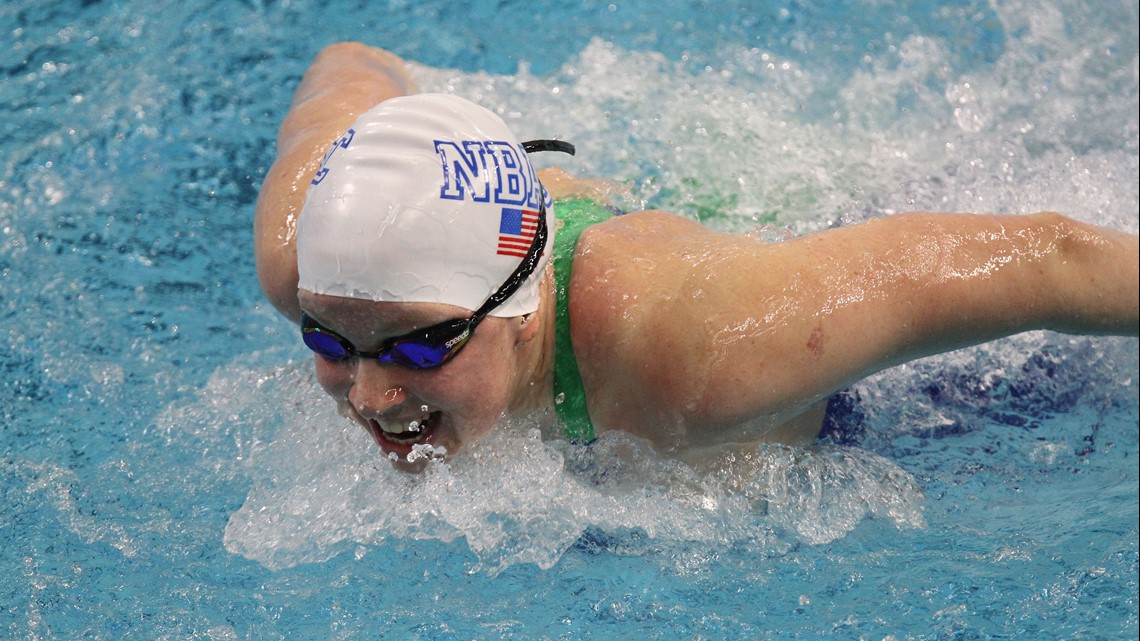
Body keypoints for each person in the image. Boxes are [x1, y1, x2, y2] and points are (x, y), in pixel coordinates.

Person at [254, 43, 1140, 472]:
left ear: (521, 310)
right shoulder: (312, 250)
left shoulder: (706, 350)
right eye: (329, 342)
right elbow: (350, 61)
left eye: (415, 346)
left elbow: (1046, 257)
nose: (367, 395)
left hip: (844, 395)